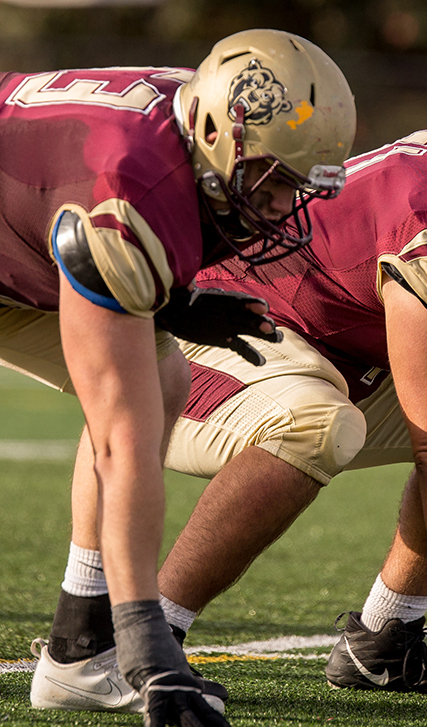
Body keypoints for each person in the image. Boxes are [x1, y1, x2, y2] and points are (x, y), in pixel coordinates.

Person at [36, 28, 427, 722]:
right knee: (319, 423)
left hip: (313, 353)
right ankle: (145, 636)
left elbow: (390, 331)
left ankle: (386, 634)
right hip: (216, 334)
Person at [22, 29, 357, 726]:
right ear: (214, 132)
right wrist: (146, 638)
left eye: (295, 186)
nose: (278, 206)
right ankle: (104, 645)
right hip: (36, 237)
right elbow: (118, 444)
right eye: (271, 180)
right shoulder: (130, 187)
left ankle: (80, 654)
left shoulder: (208, 111)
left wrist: (171, 300)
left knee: (162, 377)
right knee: (130, 419)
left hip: (29, 239)